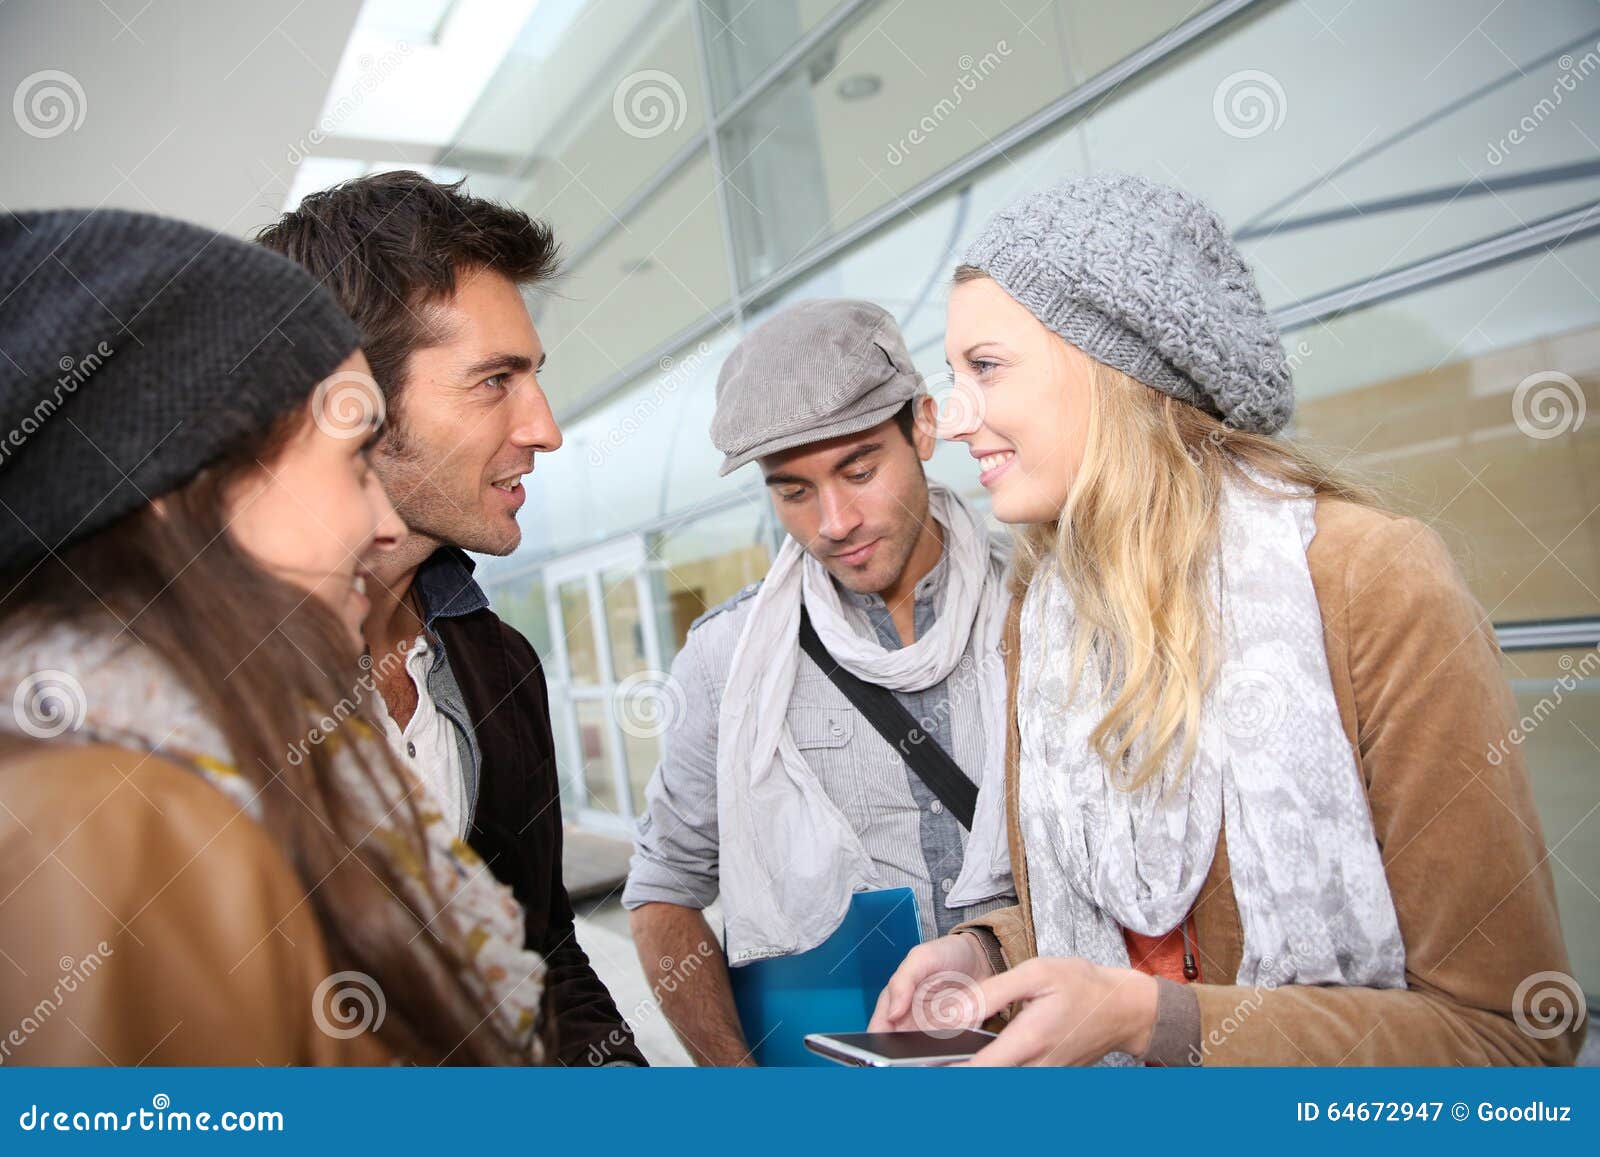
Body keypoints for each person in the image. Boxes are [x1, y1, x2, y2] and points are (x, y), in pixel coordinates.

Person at [871, 173, 1585, 1066]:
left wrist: (1153, 1021)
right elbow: (1131, 917)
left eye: (985, 366)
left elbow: (1514, 1039)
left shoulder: (1371, 582)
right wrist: (986, 954)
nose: (953, 418)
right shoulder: (1044, 615)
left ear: (1116, 367)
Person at [0, 208, 547, 1064]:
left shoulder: (233, 743)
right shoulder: (92, 824)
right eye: (352, 457)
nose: (378, 520)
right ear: (187, 489)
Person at [256, 171, 645, 1067]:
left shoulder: (502, 665)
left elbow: (542, 953)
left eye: (533, 377)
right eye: (495, 381)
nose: (545, 427)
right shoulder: (184, 684)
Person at [623, 299, 1015, 1065]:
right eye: (793, 491)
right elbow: (663, 888)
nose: (834, 520)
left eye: (859, 470)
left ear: (923, 426)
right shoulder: (729, 657)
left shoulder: (1046, 605)